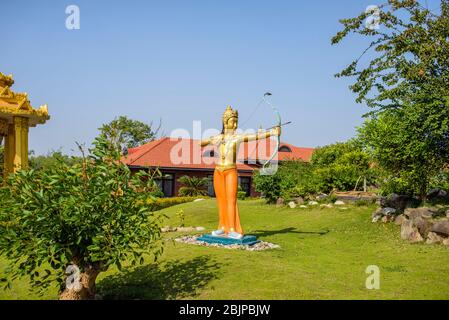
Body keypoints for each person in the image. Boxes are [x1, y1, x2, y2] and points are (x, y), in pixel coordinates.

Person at [200, 106, 281, 239]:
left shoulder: (238, 137)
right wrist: (211, 140)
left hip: (230, 170)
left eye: (236, 121)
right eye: (233, 121)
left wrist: (272, 133)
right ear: (225, 122)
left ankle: (232, 228)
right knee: (221, 200)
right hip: (218, 171)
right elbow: (200, 144)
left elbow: (255, 136)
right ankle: (222, 227)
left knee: (231, 200)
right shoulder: (218, 137)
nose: (236, 124)